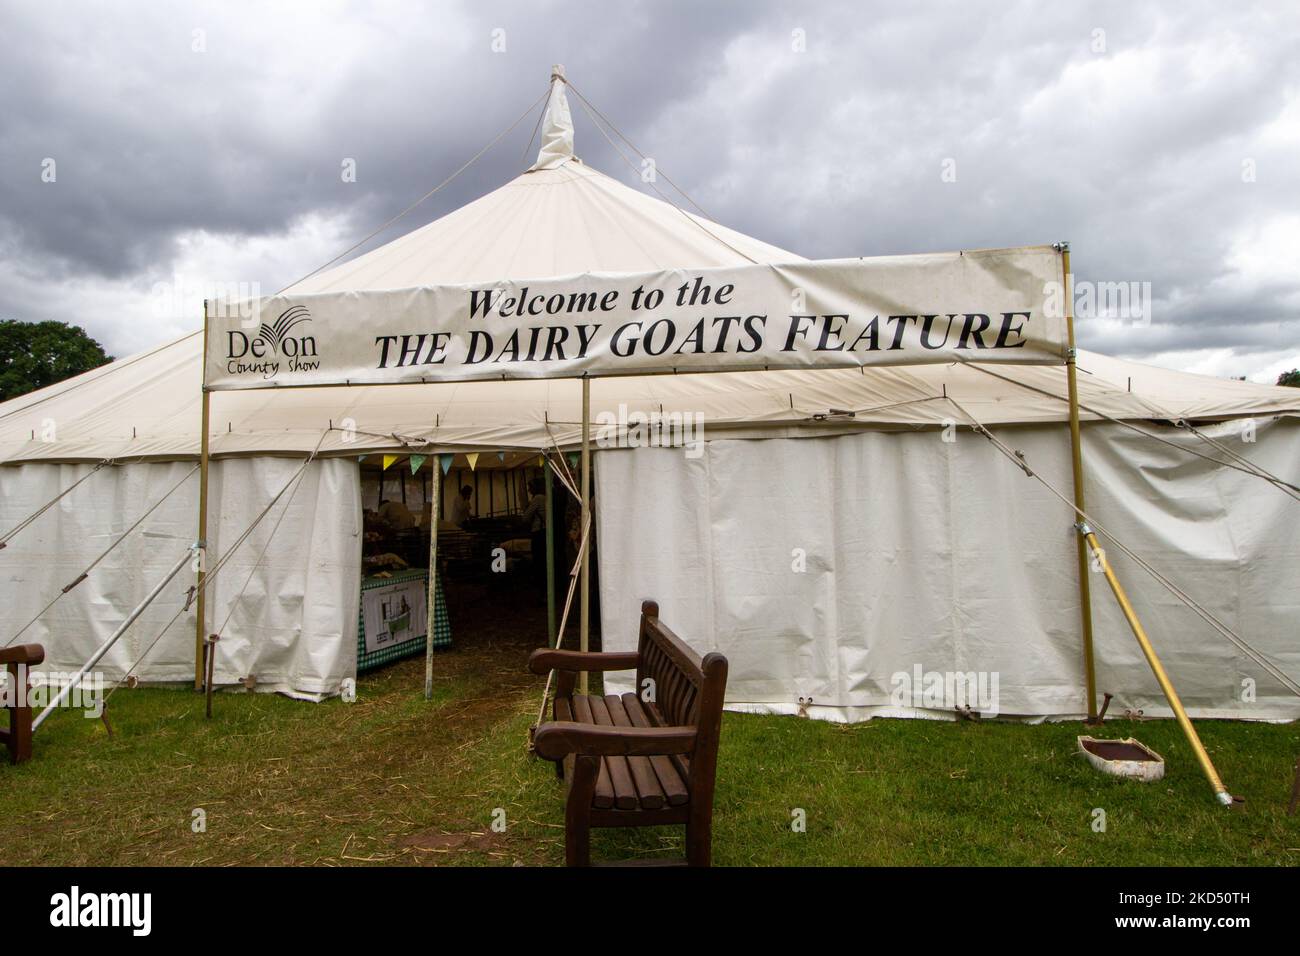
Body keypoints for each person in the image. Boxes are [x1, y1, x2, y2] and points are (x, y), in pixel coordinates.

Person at [520, 478, 547, 591]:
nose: (529, 490)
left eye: (530, 487)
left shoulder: (537, 498)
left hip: (538, 532)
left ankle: (540, 587)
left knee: (538, 560)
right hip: (544, 531)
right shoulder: (545, 497)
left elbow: (526, 517)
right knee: (543, 560)